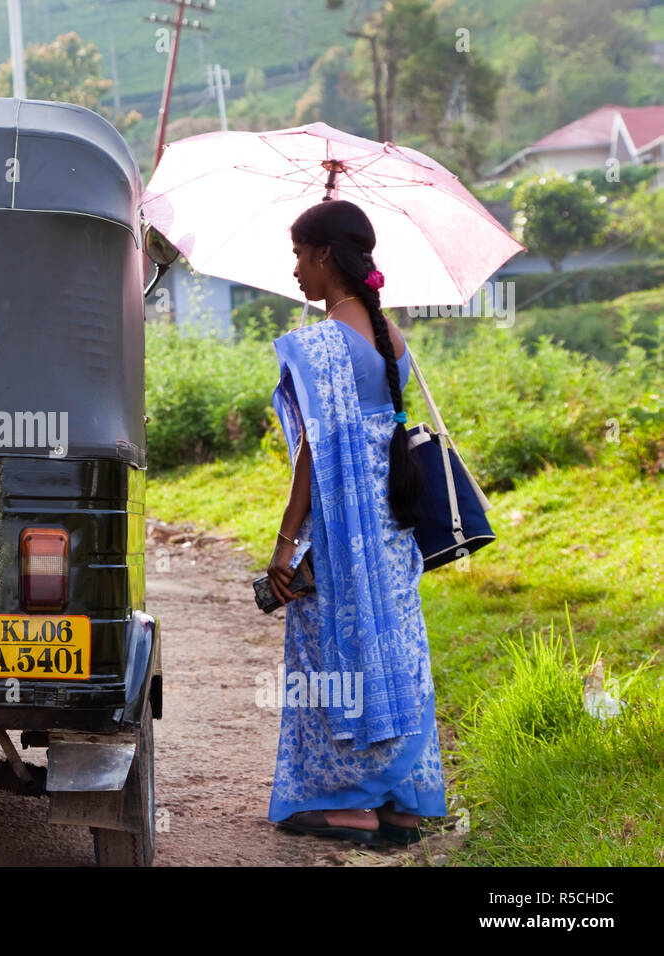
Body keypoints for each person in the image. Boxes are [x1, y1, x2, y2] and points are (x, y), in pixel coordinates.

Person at [264, 199, 446, 846]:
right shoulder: (392, 338)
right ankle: (402, 803)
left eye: (296, 255)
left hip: (339, 535)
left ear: (323, 256)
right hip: (392, 533)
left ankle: (347, 804)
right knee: (395, 648)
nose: (293, 271)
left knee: (328, 652)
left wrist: (287, 544)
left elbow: (314, 452)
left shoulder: (322, 346)